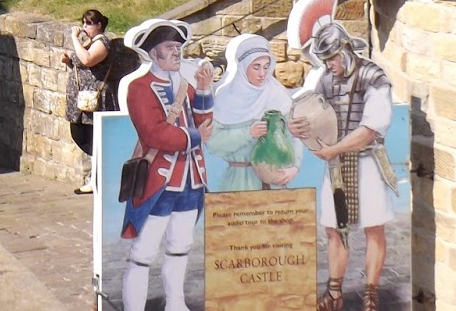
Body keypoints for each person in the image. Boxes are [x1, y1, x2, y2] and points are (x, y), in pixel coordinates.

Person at [289, 18, 397, 311]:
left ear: (346, 50)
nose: (329, 65)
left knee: (373, 227)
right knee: (334, 229)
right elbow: (314, 115)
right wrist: (296, 126)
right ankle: (334, 292)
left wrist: (333, 149)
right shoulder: (326, 79)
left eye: (332, 58)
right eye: (325, 60)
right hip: (336, 166)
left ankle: (371, 294)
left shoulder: (374, 77)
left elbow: (370, 129)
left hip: (368, 163)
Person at [120, 18, 214, 311]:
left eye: (178, 47)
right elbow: (154, 133)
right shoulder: (139, 87)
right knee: (143, 253)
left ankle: (176, 304)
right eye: (170, 47)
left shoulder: (184, 85)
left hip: (190, 179)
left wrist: (204, 89)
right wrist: (194, 136)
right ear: (153, 53)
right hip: (158, 182)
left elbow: (203, 123)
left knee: (180, 248)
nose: (177, 52)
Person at [207, 33, 300, 193]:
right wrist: (248, 133)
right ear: (242, 67)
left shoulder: (277, 95)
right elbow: (213, 144)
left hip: (275, 179)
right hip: (240, 181)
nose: (262, 73)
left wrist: (295, 167)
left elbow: (293, 136)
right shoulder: (225, 98)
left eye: (266, 66)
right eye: (256, 67)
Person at [65, 8, 112, 194]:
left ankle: (96, 179)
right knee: (79, 134)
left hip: (95, 98)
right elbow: (81, 65)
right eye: (83, 23)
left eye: (89, 24)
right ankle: (93, 177)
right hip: (80, 99)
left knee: (93, 138)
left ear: (99, 25)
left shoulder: (102, 42)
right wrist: (68, 61)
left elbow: (88, 60)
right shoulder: (88, 42)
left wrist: (74, 38)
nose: (84, 27)